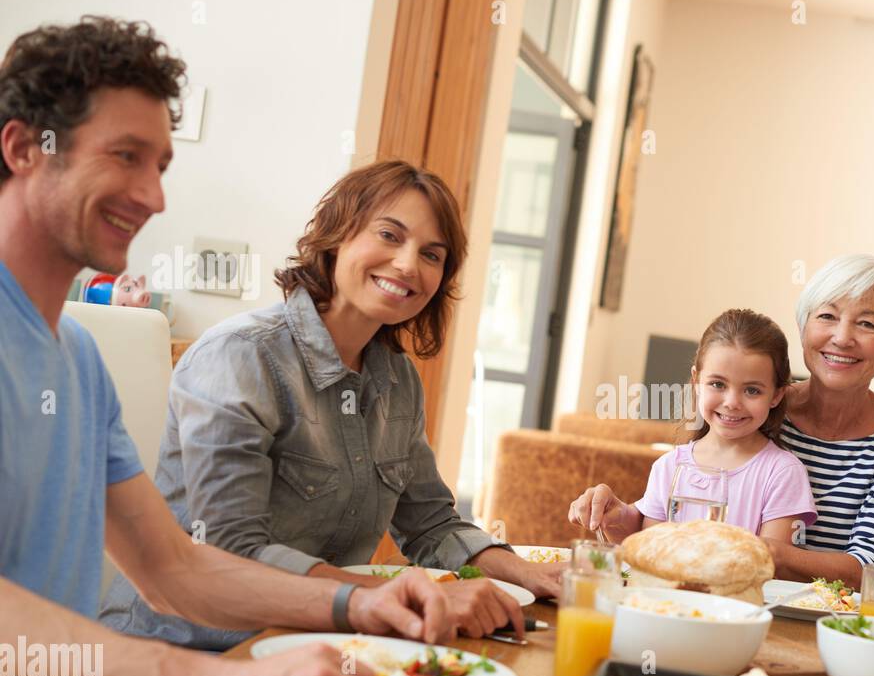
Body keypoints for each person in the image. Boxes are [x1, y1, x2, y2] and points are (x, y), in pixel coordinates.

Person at [0, 16, 451, 676]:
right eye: (126, 156)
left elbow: (172, 568)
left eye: (162, 164)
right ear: (22, 149)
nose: (154, 195)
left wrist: (357, 603)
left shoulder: (75, 359)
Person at [100, 159, 560, 650]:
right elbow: (233, 551)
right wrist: (397, 597)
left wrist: (528, 574)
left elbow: (430, 523)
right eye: (389, 235)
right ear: (337, 235)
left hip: (309, 643)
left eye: (432, 254)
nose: (408, 265)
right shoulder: (240, 355)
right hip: (184, 649)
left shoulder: (397, 378)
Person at [568, 308, 817, 543]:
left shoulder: (783, 473)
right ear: (697, 381)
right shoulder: (669, 466)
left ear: (776, 395)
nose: (732, 403)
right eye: (718, 384)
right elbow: (651, 555)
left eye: (752, 390)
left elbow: (770, 564)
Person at [765, 254, 874, 583]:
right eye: (828, 316)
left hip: (834, 625)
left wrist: (769, 553)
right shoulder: (759, 411)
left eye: (867, 324)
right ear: (803, 329)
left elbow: (872, 571)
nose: (842, 337)